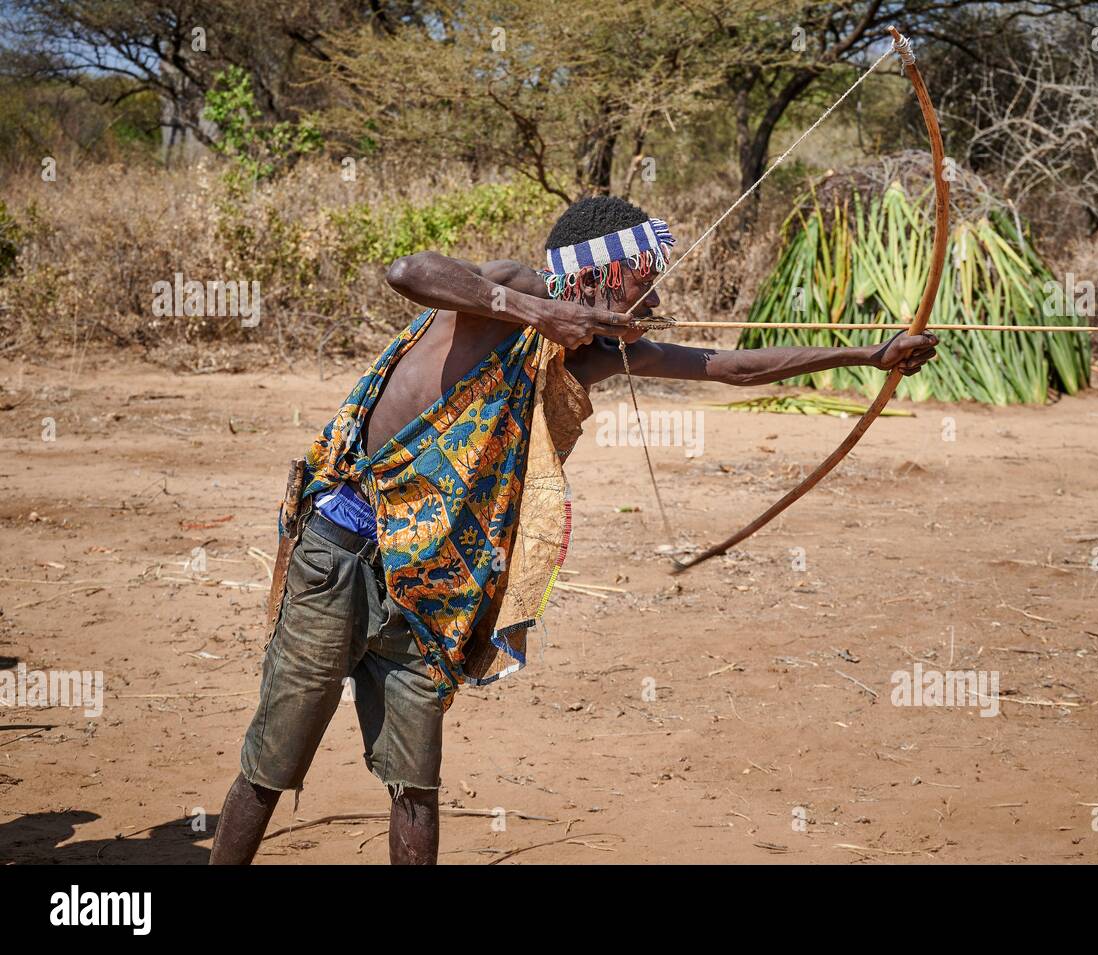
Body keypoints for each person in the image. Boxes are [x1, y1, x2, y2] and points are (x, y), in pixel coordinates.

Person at [209, 195, 938, 864]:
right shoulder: (507, 291)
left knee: (415, 783)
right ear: (597, 276)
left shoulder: (600, 352)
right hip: (341, 550)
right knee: (272, 764)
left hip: (431, 582)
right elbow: (410, 270)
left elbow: (731, 367)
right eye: (641, 279)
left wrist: (867, 355)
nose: (652, 296)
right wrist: (535, 314)